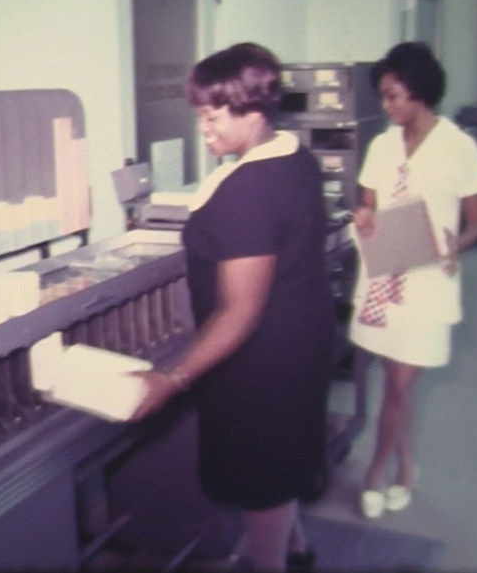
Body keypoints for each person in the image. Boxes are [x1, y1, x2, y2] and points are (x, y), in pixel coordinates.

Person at [131, 42, 334, 572]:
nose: (204, 129)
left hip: (263, 357)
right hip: (299, 341)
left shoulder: (249, 189)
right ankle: (294, 548)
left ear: (253, 110)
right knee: (283, 456)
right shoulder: (294, 157)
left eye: (211, 116)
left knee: (261, 472)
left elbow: (239, 312)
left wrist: (172, 378)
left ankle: (270, 563)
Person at [347, 41, 477, 519]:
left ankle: (375, 471)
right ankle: (407, 468)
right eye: (383, 96)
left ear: (419, 91)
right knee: (394, 383)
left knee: (400, 388)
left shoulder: (459, 147)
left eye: (392, 96)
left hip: (428, 280)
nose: (386, 106)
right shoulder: (381, 145)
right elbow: (367, 205)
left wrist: (458, 245)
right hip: (385, 273)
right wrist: (363, 218)